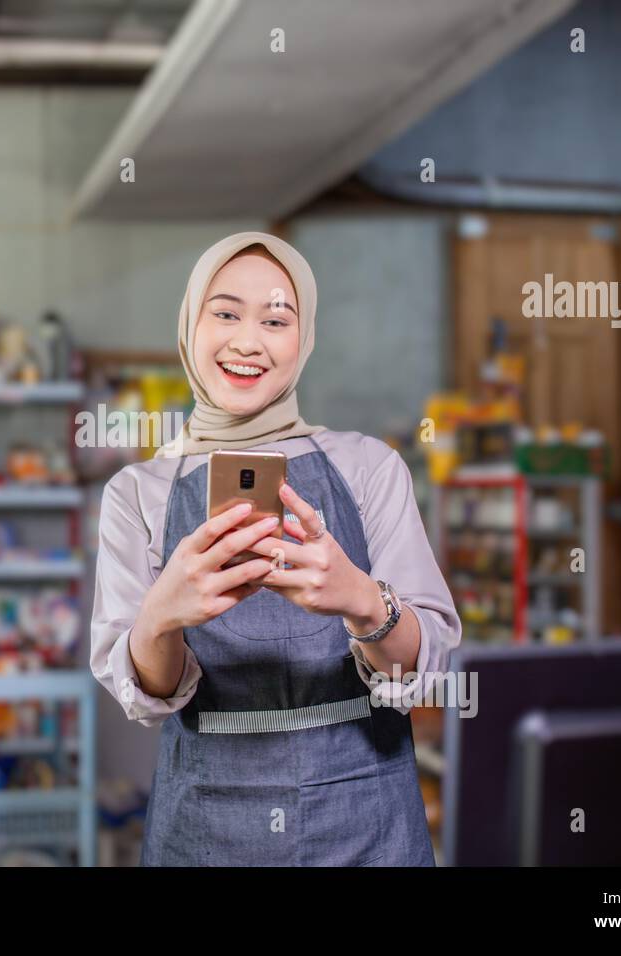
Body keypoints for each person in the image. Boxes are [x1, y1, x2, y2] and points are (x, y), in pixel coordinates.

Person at [89, 231, 461, 866]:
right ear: (190, 325)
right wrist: (162, 617)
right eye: (226, 312)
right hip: (206, 824)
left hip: (367, 818)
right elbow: (150, 694)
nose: (247, 340)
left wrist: (365, 603)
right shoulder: (138, 493)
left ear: (304, 336)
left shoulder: (370, 467)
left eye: (276, 319)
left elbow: (421, 674)